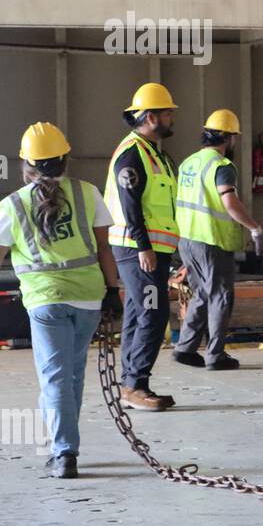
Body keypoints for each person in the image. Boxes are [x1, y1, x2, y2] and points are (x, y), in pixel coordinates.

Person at [0, 124, 122, 479]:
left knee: (54, 378)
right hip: (87, 297)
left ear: (26, 164)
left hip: (45, 301)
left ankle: (64, 451)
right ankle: (64, 443)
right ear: (65, 159)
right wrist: (113, 290)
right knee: (71, 375)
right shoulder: (88, 193)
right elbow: (104, 249)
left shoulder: (15, 204)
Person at [105, 83, 180, 412]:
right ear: (150, 117)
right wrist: (144, 247)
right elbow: (129, 203)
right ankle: (136, 385)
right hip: (138, 249)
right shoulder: (133, 153)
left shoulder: (155, 153)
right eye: (166, 113)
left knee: (139, 313)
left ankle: (130, 384)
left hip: (150, 248)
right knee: (153, 312)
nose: (170, 118)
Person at [173, 109, 262, 372]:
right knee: (221, 296)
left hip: (187, 239)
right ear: (229, 138)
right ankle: (215, 355)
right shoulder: (222, 166)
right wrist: (254, 227)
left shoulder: (189, 163)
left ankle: (185, 348)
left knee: (202, 293)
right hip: (212, 240)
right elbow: (230, 203)